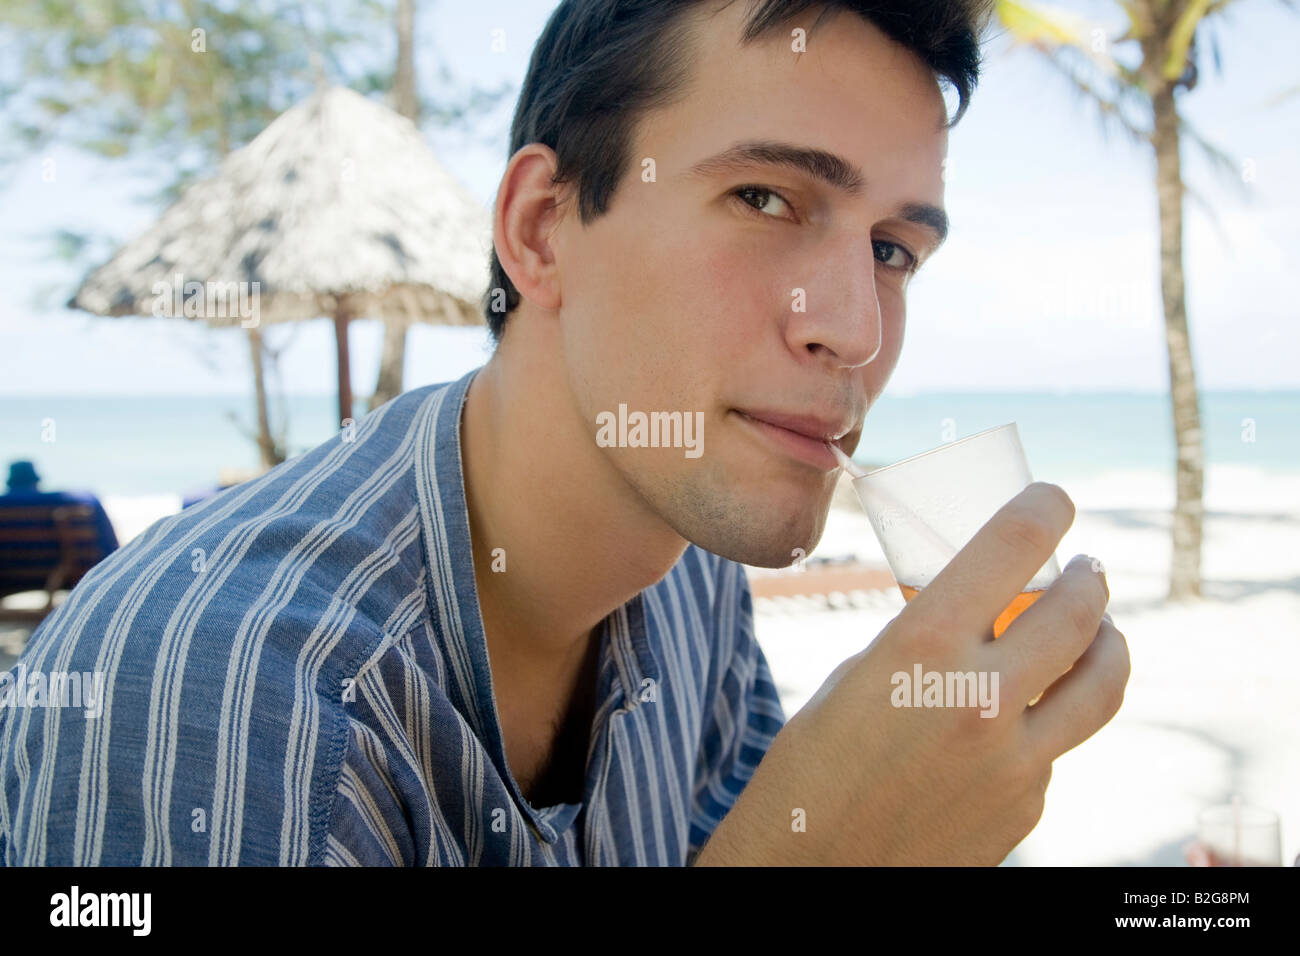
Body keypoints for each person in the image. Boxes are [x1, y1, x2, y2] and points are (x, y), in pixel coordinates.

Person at [0, 0, 1127, 866]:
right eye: (766, 199)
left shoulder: (690, 572)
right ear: (541, 229)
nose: (852, 329)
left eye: (891, 248)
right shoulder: (222, 696)